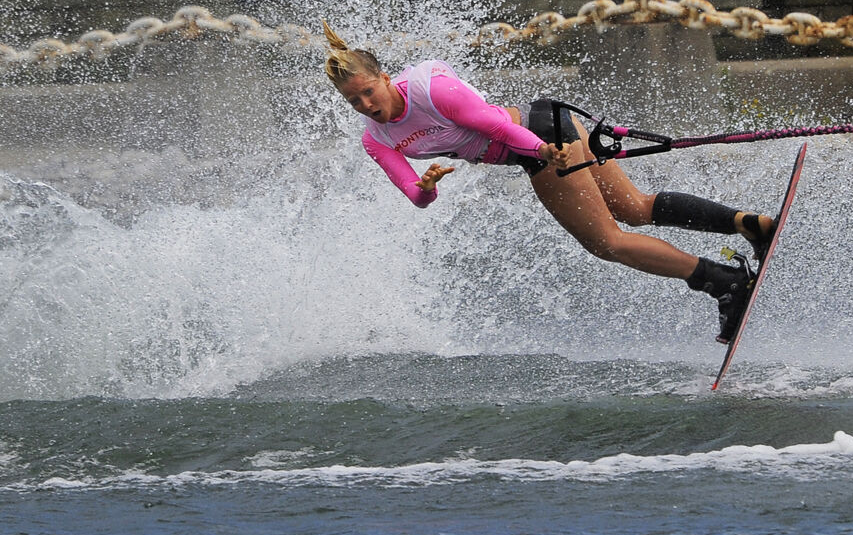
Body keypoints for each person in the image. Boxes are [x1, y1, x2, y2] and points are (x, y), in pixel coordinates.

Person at [323, 22, 776, 344]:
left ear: (385, 77)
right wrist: (427, 183)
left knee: (607, 242)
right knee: (634, 208)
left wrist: (541, 151)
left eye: (369, 91)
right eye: (353, 100)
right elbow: (416, 196)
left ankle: (725, 282)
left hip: (538, 138)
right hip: (544, 138)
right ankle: (747, 224)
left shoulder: (431, 91)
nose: (366, 103)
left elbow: (493, 125)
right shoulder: (376, 139)